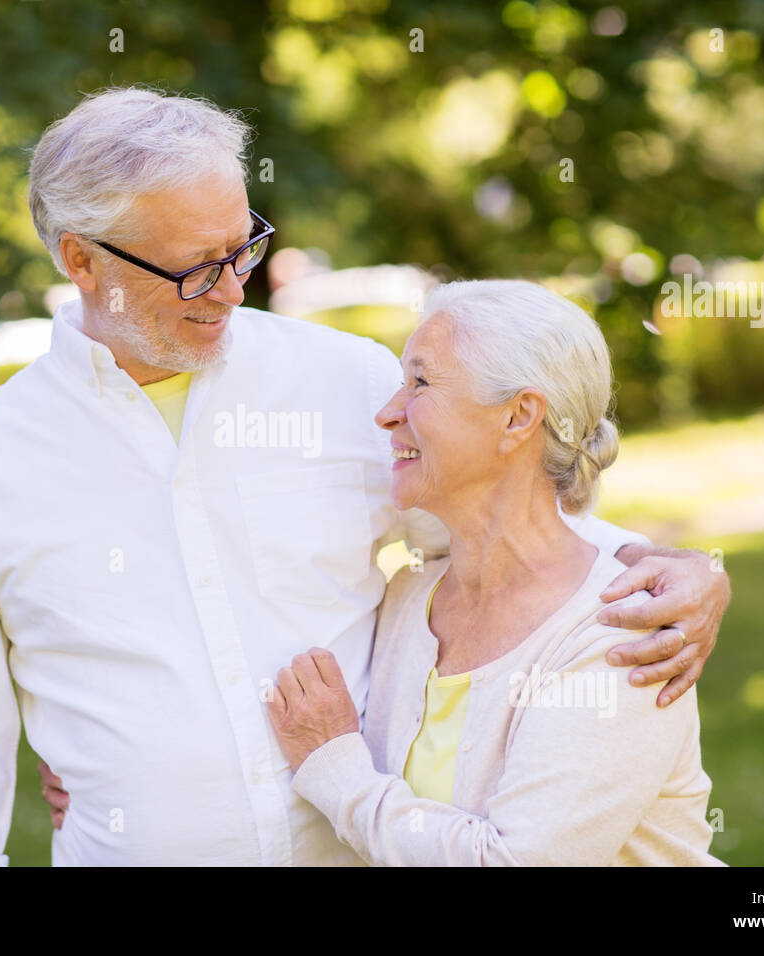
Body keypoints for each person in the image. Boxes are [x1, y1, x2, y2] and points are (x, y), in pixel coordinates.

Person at [0, 87, 730, 866]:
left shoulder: (349, 384)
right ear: (83, 261)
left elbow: (509, 531)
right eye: (193, 267)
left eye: (241, 248)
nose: (230, 290)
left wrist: (680, 574)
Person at [267, 280, 724, 865]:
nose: (386, 413)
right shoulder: (409, 597)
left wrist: (335, 766)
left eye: (421, 382)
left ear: (518, 417)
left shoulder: (622, 634)